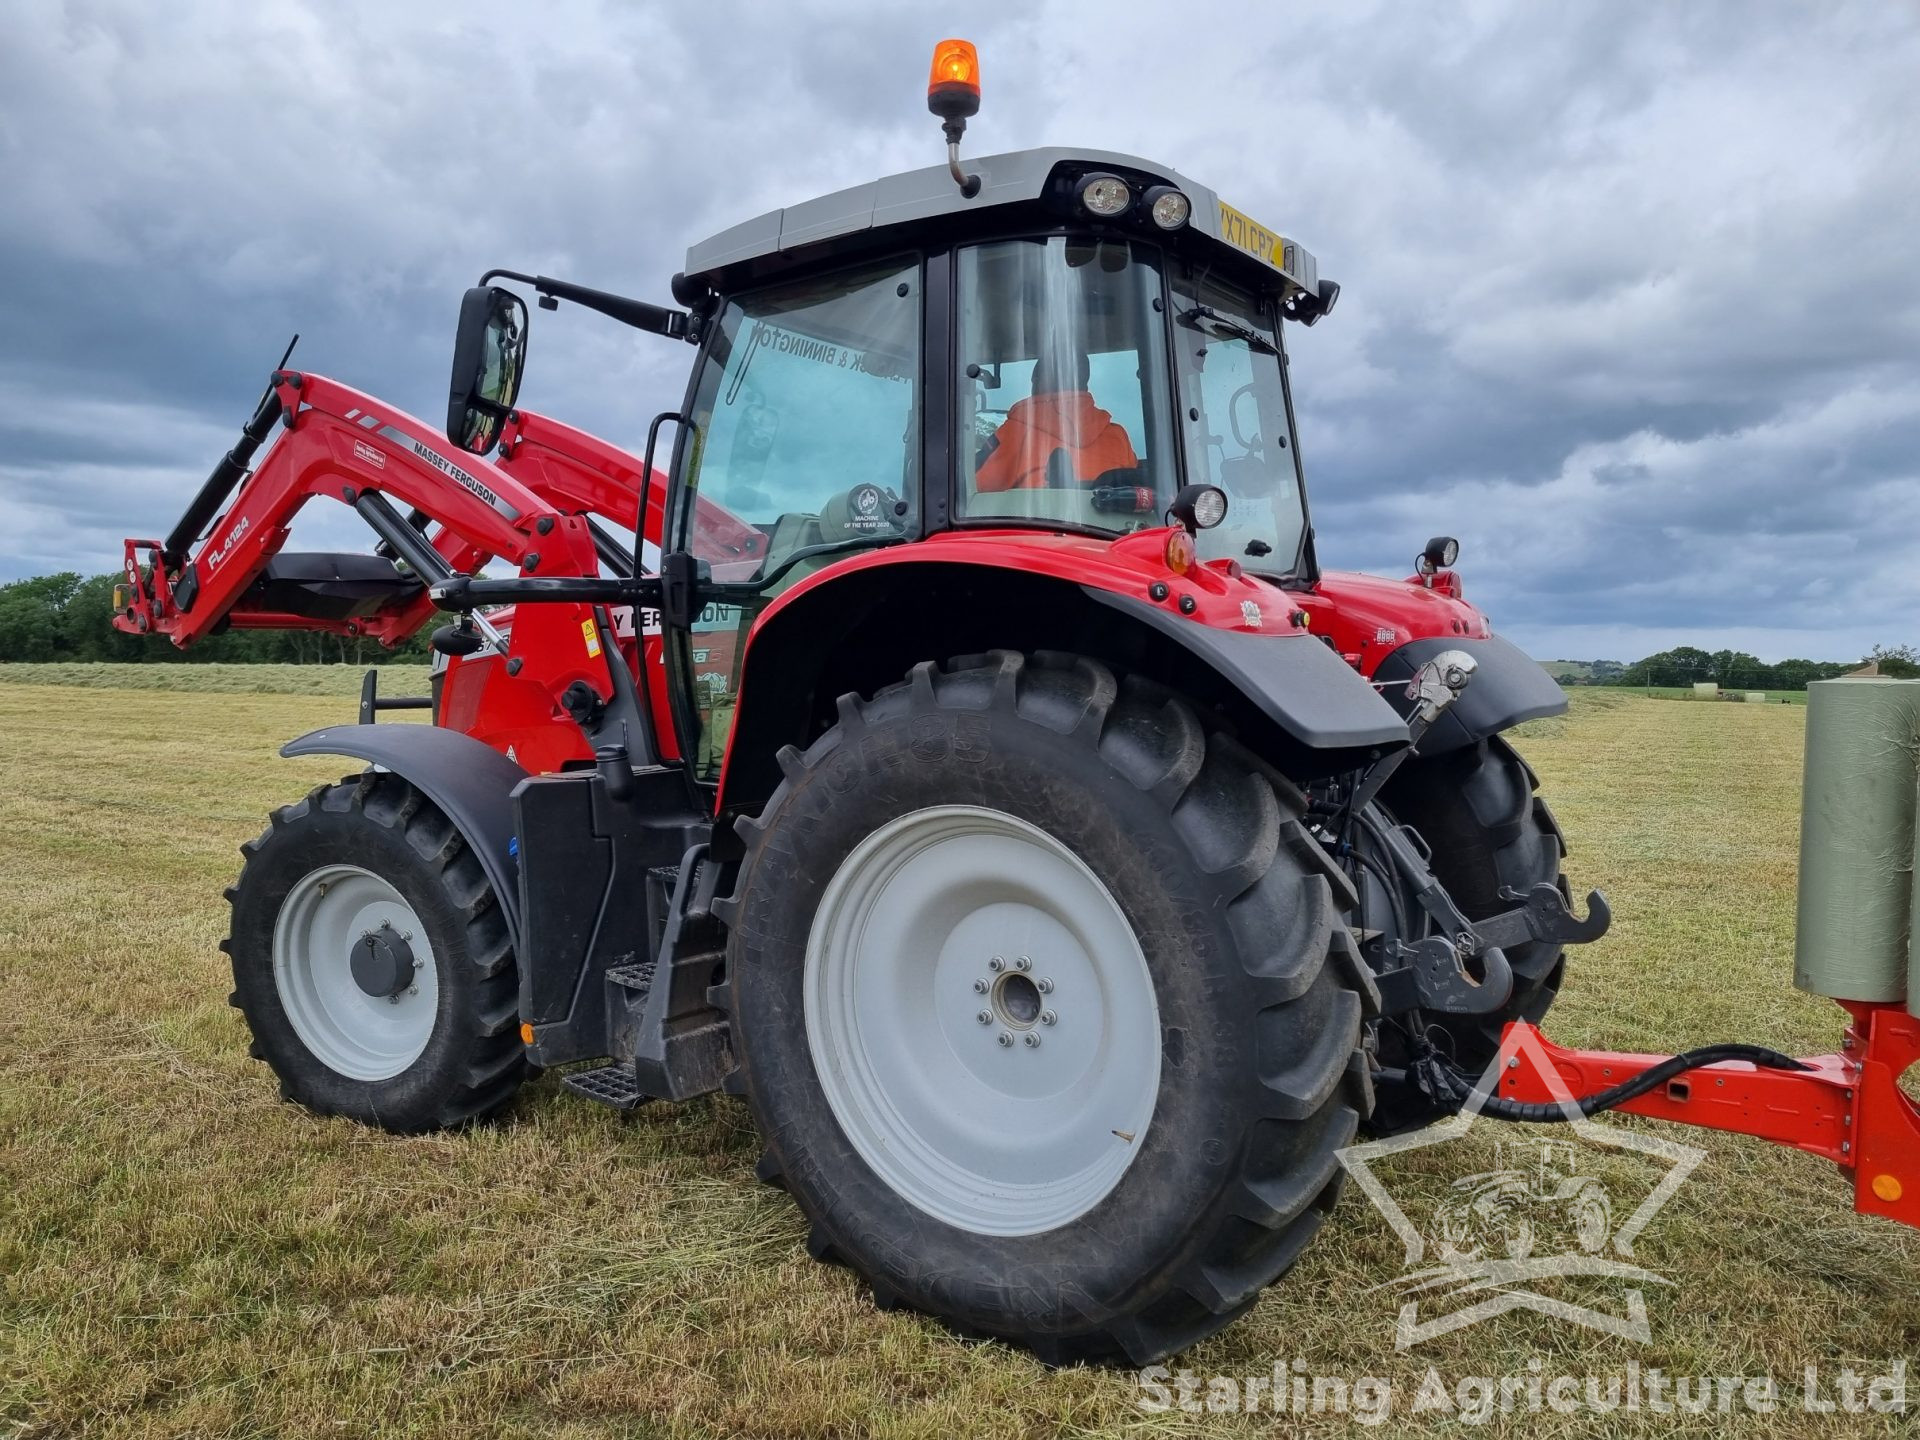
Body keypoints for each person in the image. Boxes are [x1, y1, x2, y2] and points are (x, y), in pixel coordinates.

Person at [973, 350, 1139, 492]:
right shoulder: (1118, 436)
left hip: (1035, 519)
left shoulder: (1015, 432)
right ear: (1084, 384)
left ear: (1037, 381)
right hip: (1112, 521)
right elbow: (1135, 491)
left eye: (1033, 381)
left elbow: (974, 486)